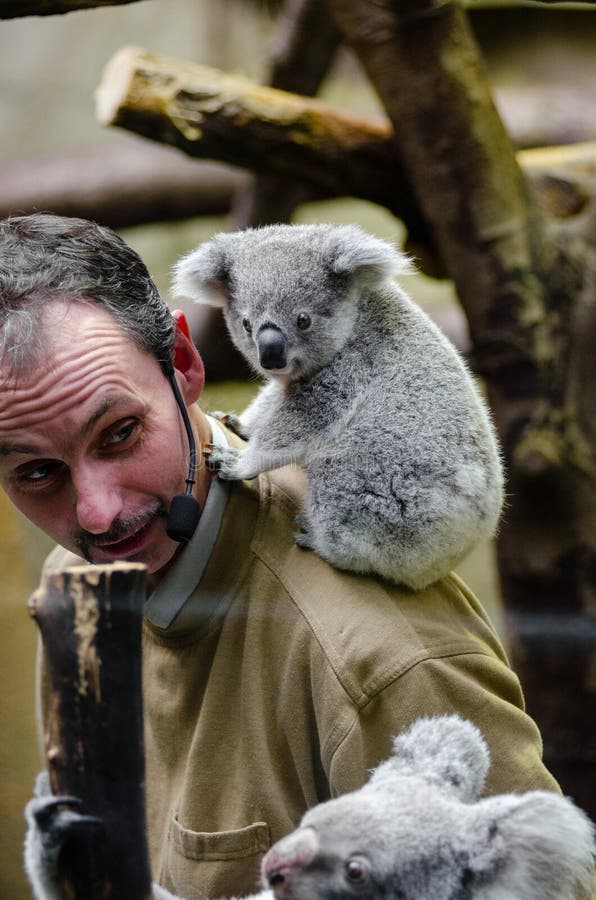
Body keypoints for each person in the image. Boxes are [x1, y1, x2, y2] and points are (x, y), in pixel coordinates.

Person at [0, 214, 559, 900]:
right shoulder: (79, 587)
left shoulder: (377, 660)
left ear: (185, 363)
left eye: (119, 433)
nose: (97, 513)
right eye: (36, 475)